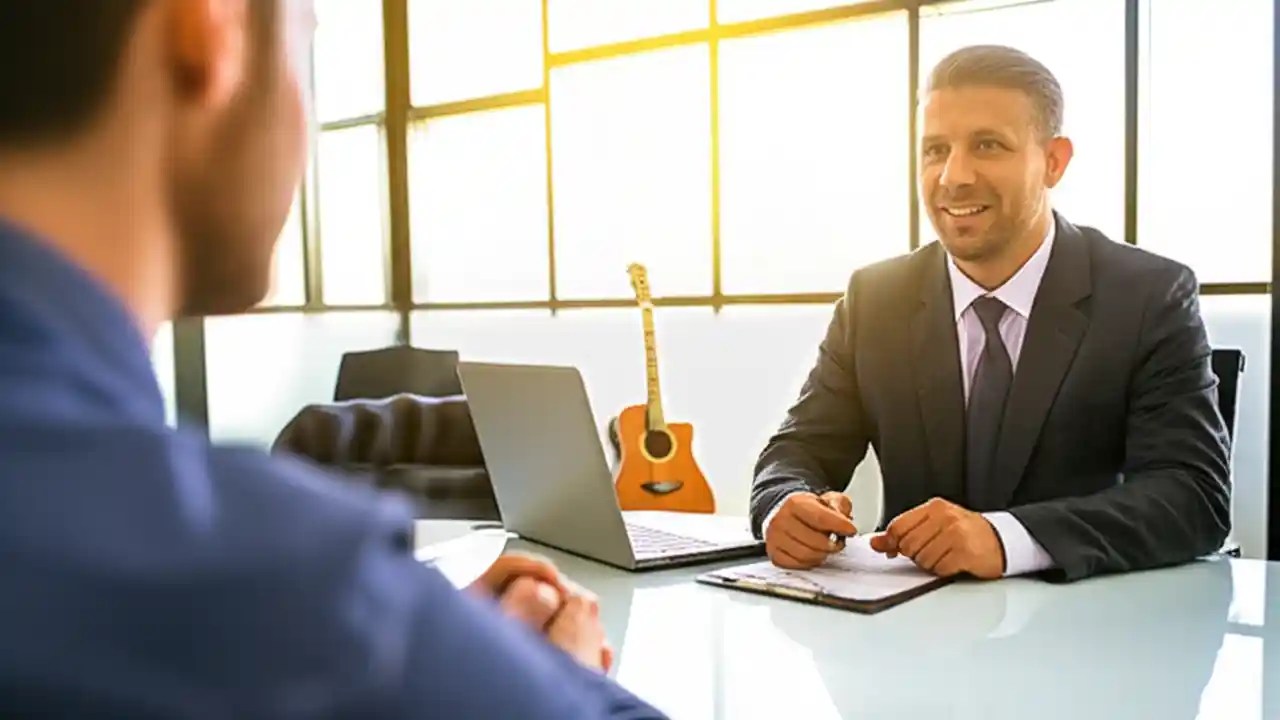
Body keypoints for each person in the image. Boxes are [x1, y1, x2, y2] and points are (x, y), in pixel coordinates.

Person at [0, 1, 664, 717]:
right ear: (209, 29)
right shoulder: (292, 599)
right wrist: (546, 678)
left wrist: (442, 653)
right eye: (302, 47)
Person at [751, 44, 1231, 583]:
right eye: (935, 150)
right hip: (906, 631)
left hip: (1081, 630)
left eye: (987, 145)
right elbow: (800, 447)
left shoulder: (1147, 295)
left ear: (1054, 161)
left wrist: (1007, 538)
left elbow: (1194, 496)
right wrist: (783, 504)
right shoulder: (875, 299)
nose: (953, 176)